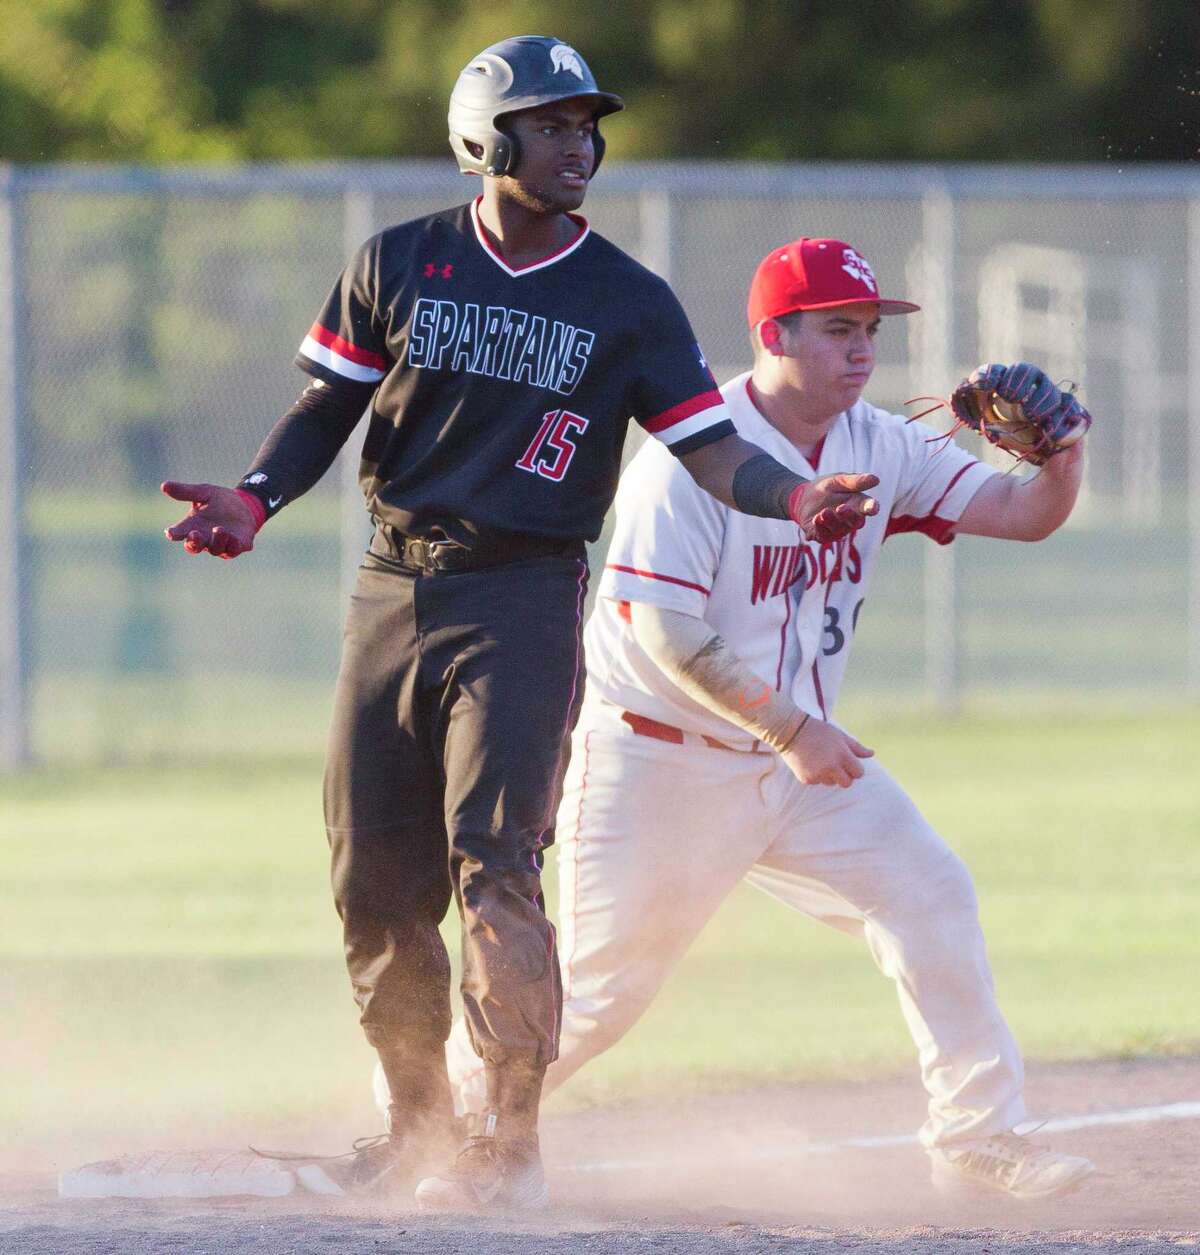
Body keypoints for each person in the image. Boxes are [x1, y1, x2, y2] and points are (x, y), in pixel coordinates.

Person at [161, 39, 878, 1212]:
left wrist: (796, 496)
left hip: (526, 595)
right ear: (486, 137)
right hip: (391, 586)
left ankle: (508, 1141)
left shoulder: (628, 300)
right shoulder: (399, 262)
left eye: (589, 127)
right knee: (372, 878)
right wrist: (252, 498)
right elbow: (323, 408)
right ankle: (415, 1128)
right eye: (553, 126)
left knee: (495, 865)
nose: (580, 146)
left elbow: (707, 446)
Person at [437, 234, 1097, 1202]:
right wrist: (792, 730)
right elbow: (661, 626)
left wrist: (1065, 457)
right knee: (597, 995)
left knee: (930, 892)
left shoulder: (879, 440)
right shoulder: (692, 456)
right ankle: (428, 1115)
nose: (863, 350)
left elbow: (1022, 511)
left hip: (798, 766)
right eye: (839, 330)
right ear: (773, 334)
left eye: (870, 329)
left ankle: (977, 1135)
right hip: (662, 764)